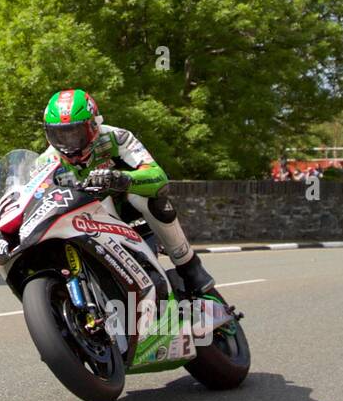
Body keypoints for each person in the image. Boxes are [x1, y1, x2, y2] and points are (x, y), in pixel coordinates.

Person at [40, 89, 215, 296]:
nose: (68, 144)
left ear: (93, 125)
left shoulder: (117, 137)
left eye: (75, 134)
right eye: (60, 135)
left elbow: (159, 178)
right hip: (85, 222)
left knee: (149, 199)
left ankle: (189, 266)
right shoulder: (46, 161)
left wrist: (122, 179)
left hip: (128, 212)